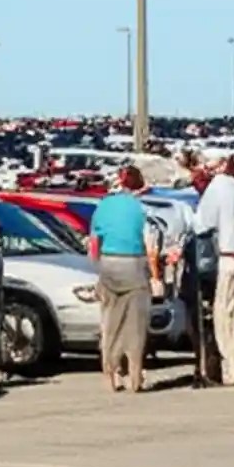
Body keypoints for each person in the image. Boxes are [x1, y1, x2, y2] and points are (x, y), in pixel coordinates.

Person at [89, 166, 160, 393]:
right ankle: (135, 377)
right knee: (135, 325)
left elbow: (94, 243)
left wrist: (97, 267)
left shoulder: (103, 205)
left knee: (110, 322)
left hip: (109, 263)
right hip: (134, 263)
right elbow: (150, 246)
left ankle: (111, 374)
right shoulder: (142, 209)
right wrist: (156, 276)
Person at [194, 157, 234, 385]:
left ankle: (231, 367)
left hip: (225, 257)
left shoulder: (217, 187)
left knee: (223, 317)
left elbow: (201, 223)